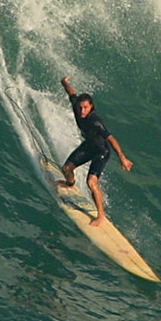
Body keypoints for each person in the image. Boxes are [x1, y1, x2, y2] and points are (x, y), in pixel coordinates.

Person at [57, 75, 135, 228]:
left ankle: (101, 215)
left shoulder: (96, 121)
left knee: (91, 182)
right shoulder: (76, 105)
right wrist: (64, 82)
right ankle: (70, 183)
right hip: (88, 146)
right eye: (80, 107)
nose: (82, 111)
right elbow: (71, 93)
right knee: (66, 169)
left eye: (85, 107)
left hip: (101, 151)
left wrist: (122, 158)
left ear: (91, 106)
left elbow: (111, 138)